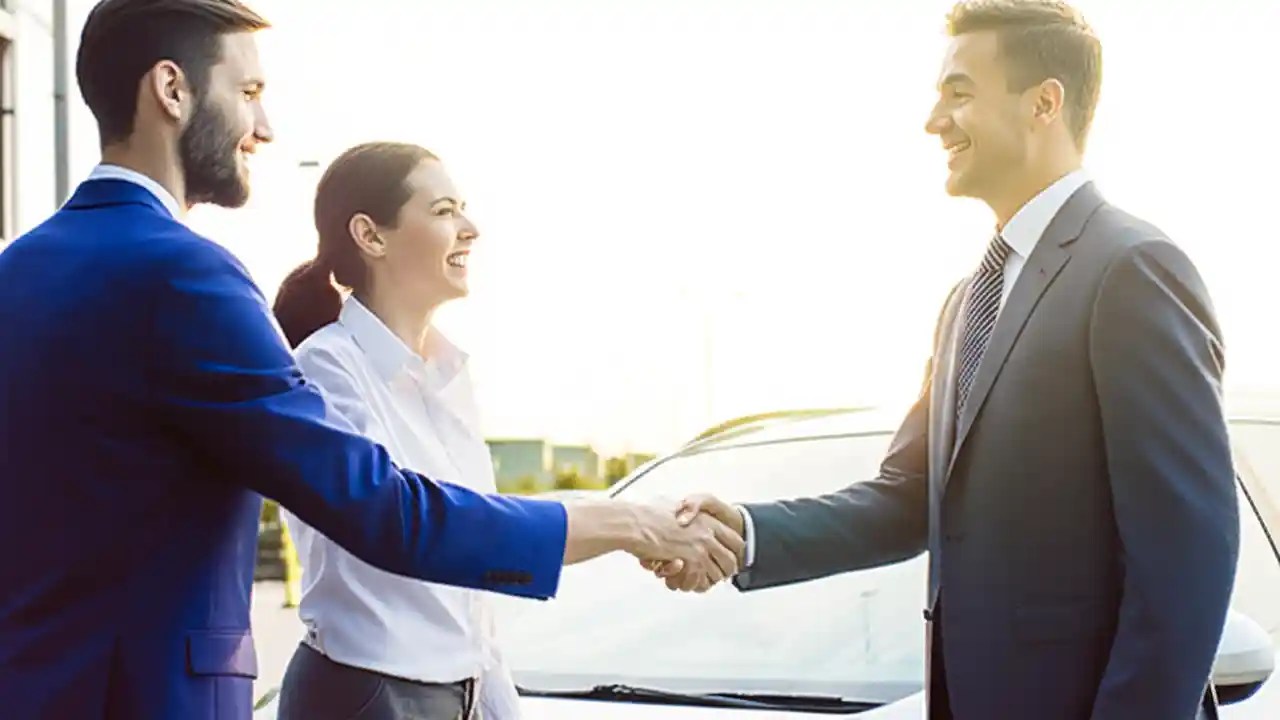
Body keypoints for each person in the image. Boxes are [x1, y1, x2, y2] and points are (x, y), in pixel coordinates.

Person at [0, 2, 740, 719]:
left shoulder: (16, 272)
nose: (263, 126)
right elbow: (383, 510)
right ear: (172, 89)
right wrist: (626, 524)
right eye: (248, 92)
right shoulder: (186, 276)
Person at [659, 1, 1238, 718]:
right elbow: (906, 500)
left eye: (958, 93)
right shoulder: (966, 301)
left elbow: (1186, 564)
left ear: (1044, 104)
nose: (934, 121)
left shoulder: (1133, 269)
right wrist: (746, 532)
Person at [269, 142, 529, 719]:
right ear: (371, 235)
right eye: (443, 211)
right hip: (369, 697)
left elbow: (469, 604)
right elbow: (411, 527)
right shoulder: (325, 369)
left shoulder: (449, 375)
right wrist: (609, 526)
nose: (470, 228)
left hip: (456, 693)